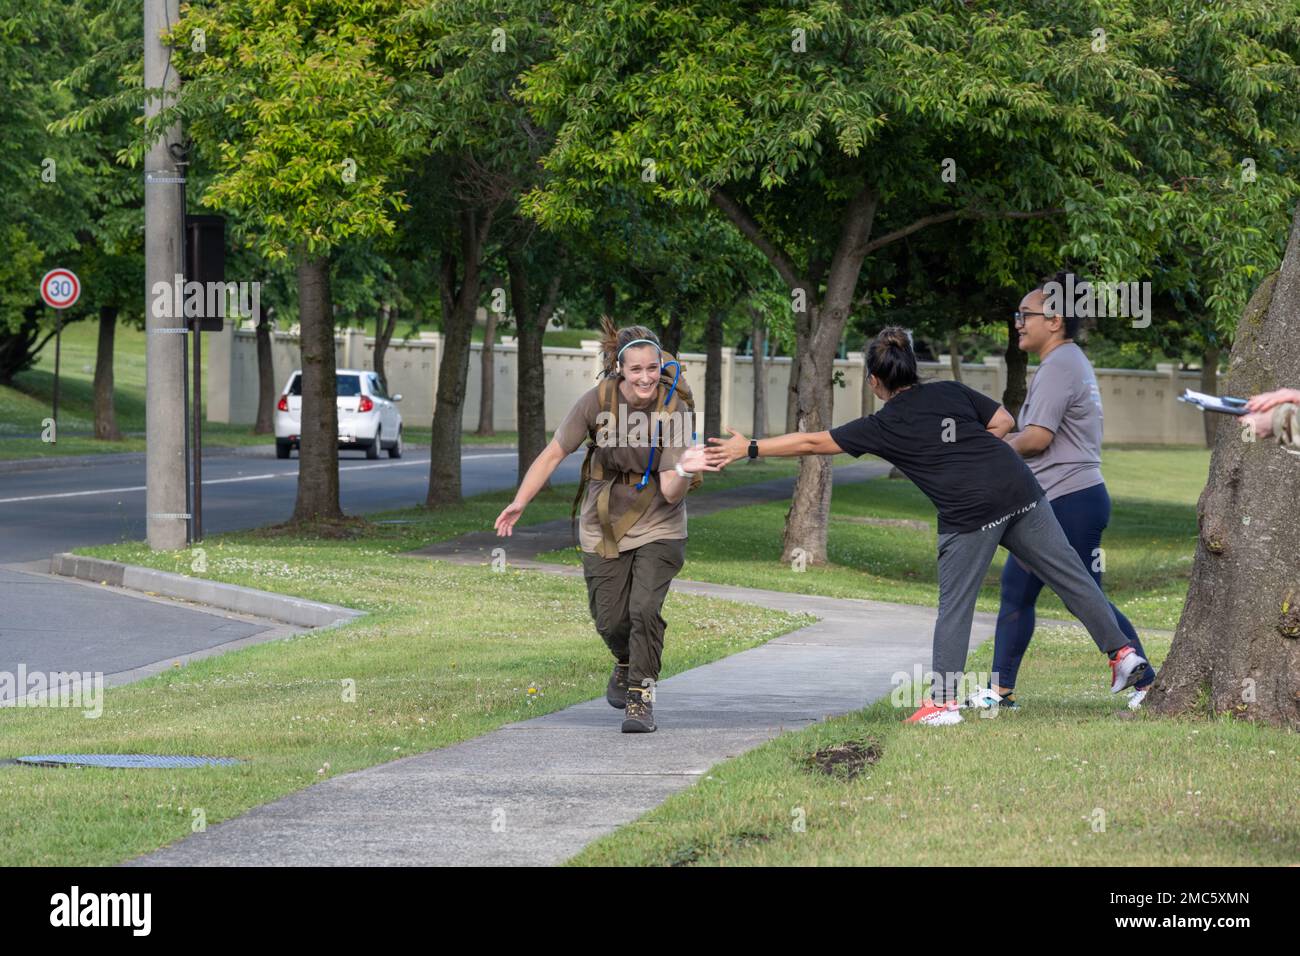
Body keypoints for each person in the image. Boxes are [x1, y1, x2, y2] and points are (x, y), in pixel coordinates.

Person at [704, 327, 1149, 726]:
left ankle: (943, 703)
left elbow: (812, 441)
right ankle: (1124, 654)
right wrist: (972, 453)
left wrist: (751, 447)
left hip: (968, 513)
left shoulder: (881, 425)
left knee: (955, 606)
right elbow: (1004, 421)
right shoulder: (951, 391)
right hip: (1019, 488)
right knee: (1072, 578)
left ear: (876, 382)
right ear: (913, 369)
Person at [494, 317, 715, 734]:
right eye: (636, 369)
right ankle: (627, 659)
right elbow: (553, 453)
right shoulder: (596, 401)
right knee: (610, 619)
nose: (646, 377)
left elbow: (671, 491)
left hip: (660, 524)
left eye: (653, 368)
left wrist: (685, 467)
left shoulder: (676, 409)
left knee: (644, 608)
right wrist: (519, 501)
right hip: (603, 521)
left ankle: (640, 696)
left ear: (662, 366)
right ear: (620, 368)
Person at [983, 272, 1154, 711]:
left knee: (1085, 597)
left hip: (1068, 499)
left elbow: (1037, 438)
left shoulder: (1060, 364)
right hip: (1066, 498)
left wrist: (996, 448)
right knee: (1020, 591)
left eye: (1026, 315)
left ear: (1055, 319)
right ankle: (999, 692)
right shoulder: (1066, 361)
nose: (1018, 322)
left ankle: (1147, 684)